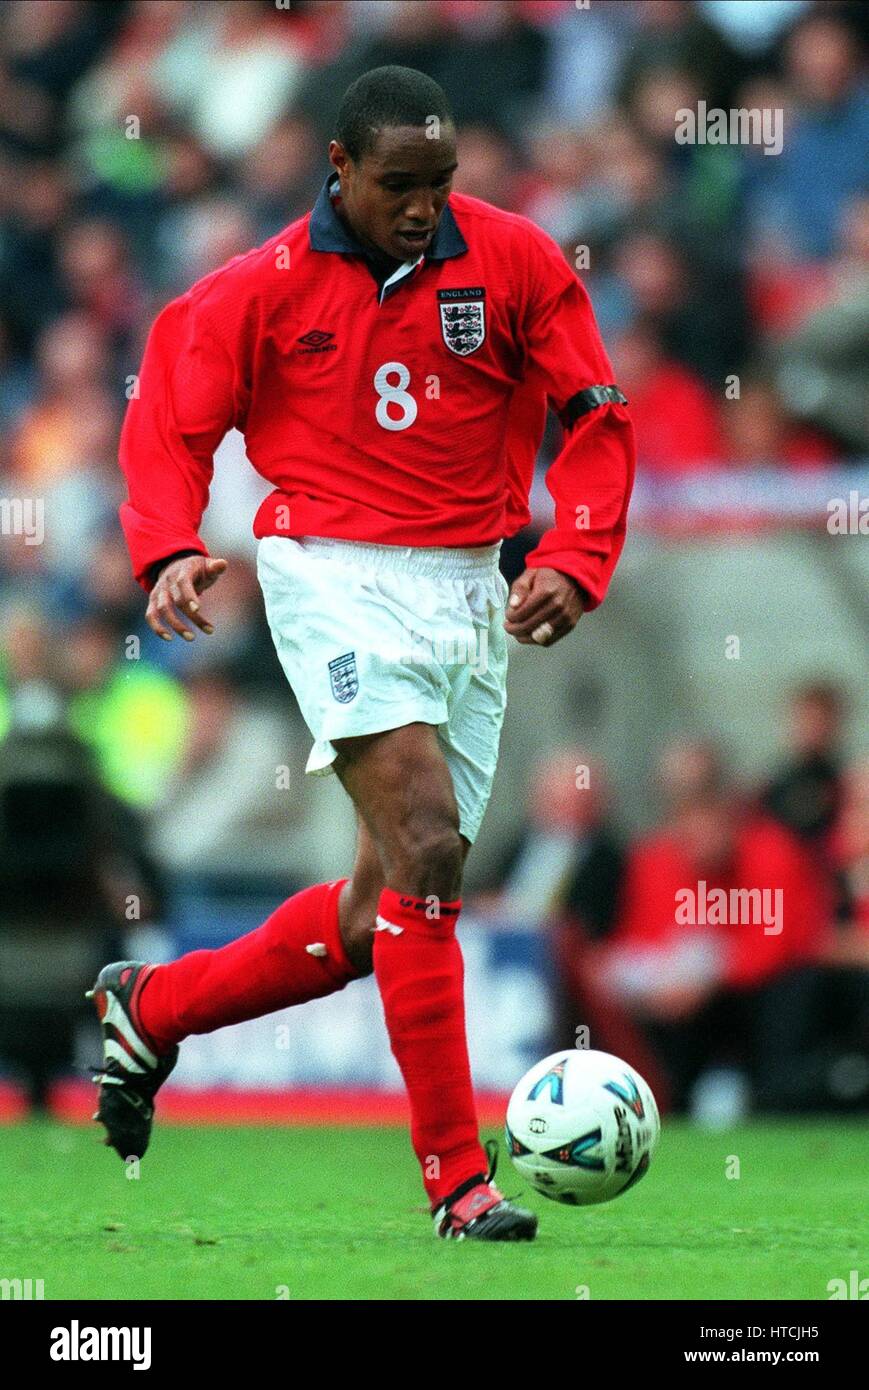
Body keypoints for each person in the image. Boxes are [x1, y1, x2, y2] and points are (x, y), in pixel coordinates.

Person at [91, 67, 634, 1241]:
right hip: (328, 573)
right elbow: (170, 414)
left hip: (466, 587)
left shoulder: (519, 264)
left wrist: (576, 553)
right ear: (338, 168)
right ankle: (456, 1179)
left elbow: (593, 416)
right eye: (398, 184)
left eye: (440, 181)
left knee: (383, 904)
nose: (423, 205)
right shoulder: (264, 287)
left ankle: (156, 1005)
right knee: (428, 842)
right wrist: (166, 546)